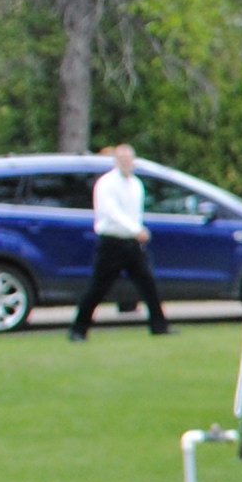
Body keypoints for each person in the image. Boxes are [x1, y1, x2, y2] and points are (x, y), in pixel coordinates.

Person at [71, 143, 171, 338]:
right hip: (112, 242)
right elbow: (111, 212)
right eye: (122, 159)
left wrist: (137, 232)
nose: (126, 162)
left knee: (148, 283)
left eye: (129, 159)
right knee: (98, 287)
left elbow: (135, 213)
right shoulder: (106, 183)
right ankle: (78, 329)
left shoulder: (136, 184)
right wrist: (136, 230)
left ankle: (159, 326)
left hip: (132, 244)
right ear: (116, 161)